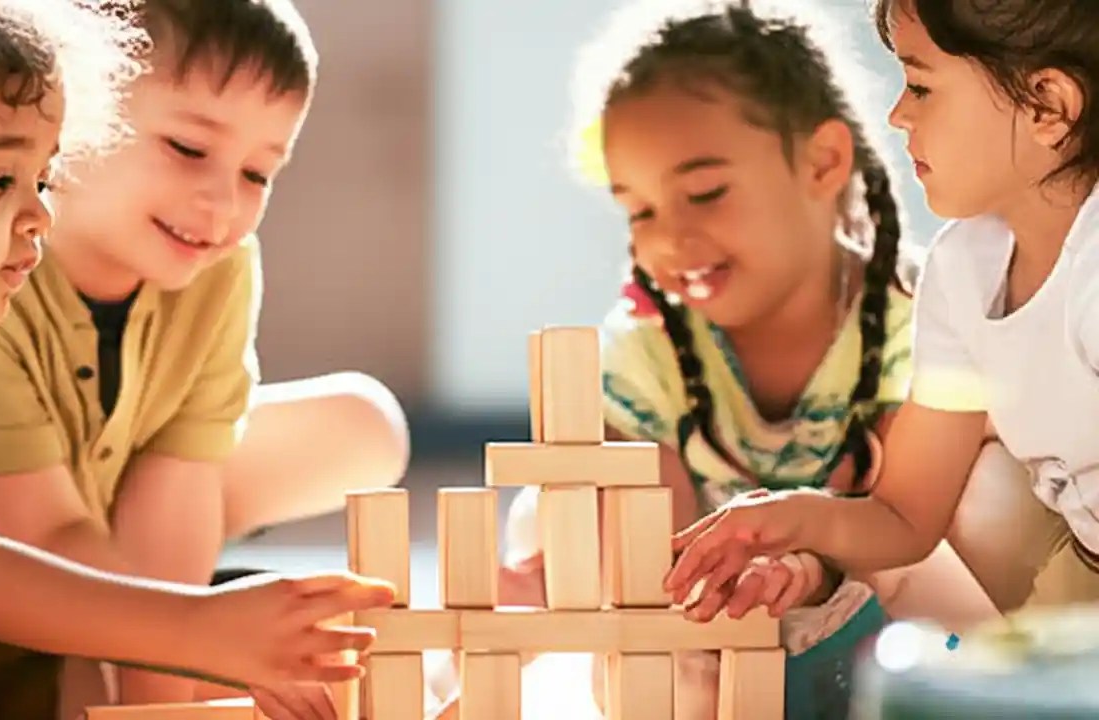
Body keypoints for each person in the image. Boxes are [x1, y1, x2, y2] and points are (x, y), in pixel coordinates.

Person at [439, 1, 1038, 718]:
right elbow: (649, 541)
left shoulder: (921, 316)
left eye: (704, 193)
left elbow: (896, 510)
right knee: (560, 505)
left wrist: (808, 570)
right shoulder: (649, 350)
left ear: (822, 163)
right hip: (704, 643)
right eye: (641, 211)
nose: (670, 238)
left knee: (982, 491)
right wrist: (574, 577)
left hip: (872, 641)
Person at [0, 1, 392, 718]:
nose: (39, 216)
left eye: (44, 180)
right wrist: (202, 632)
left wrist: (175, 679)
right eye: (0, 181)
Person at [668, 0, 1099, 660]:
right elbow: (905, 516)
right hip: (1081, 578)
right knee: (969, 512)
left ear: (1048, 106)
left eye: (921, 85)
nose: (898, 115)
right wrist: (786, 516)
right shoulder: (964, 269)